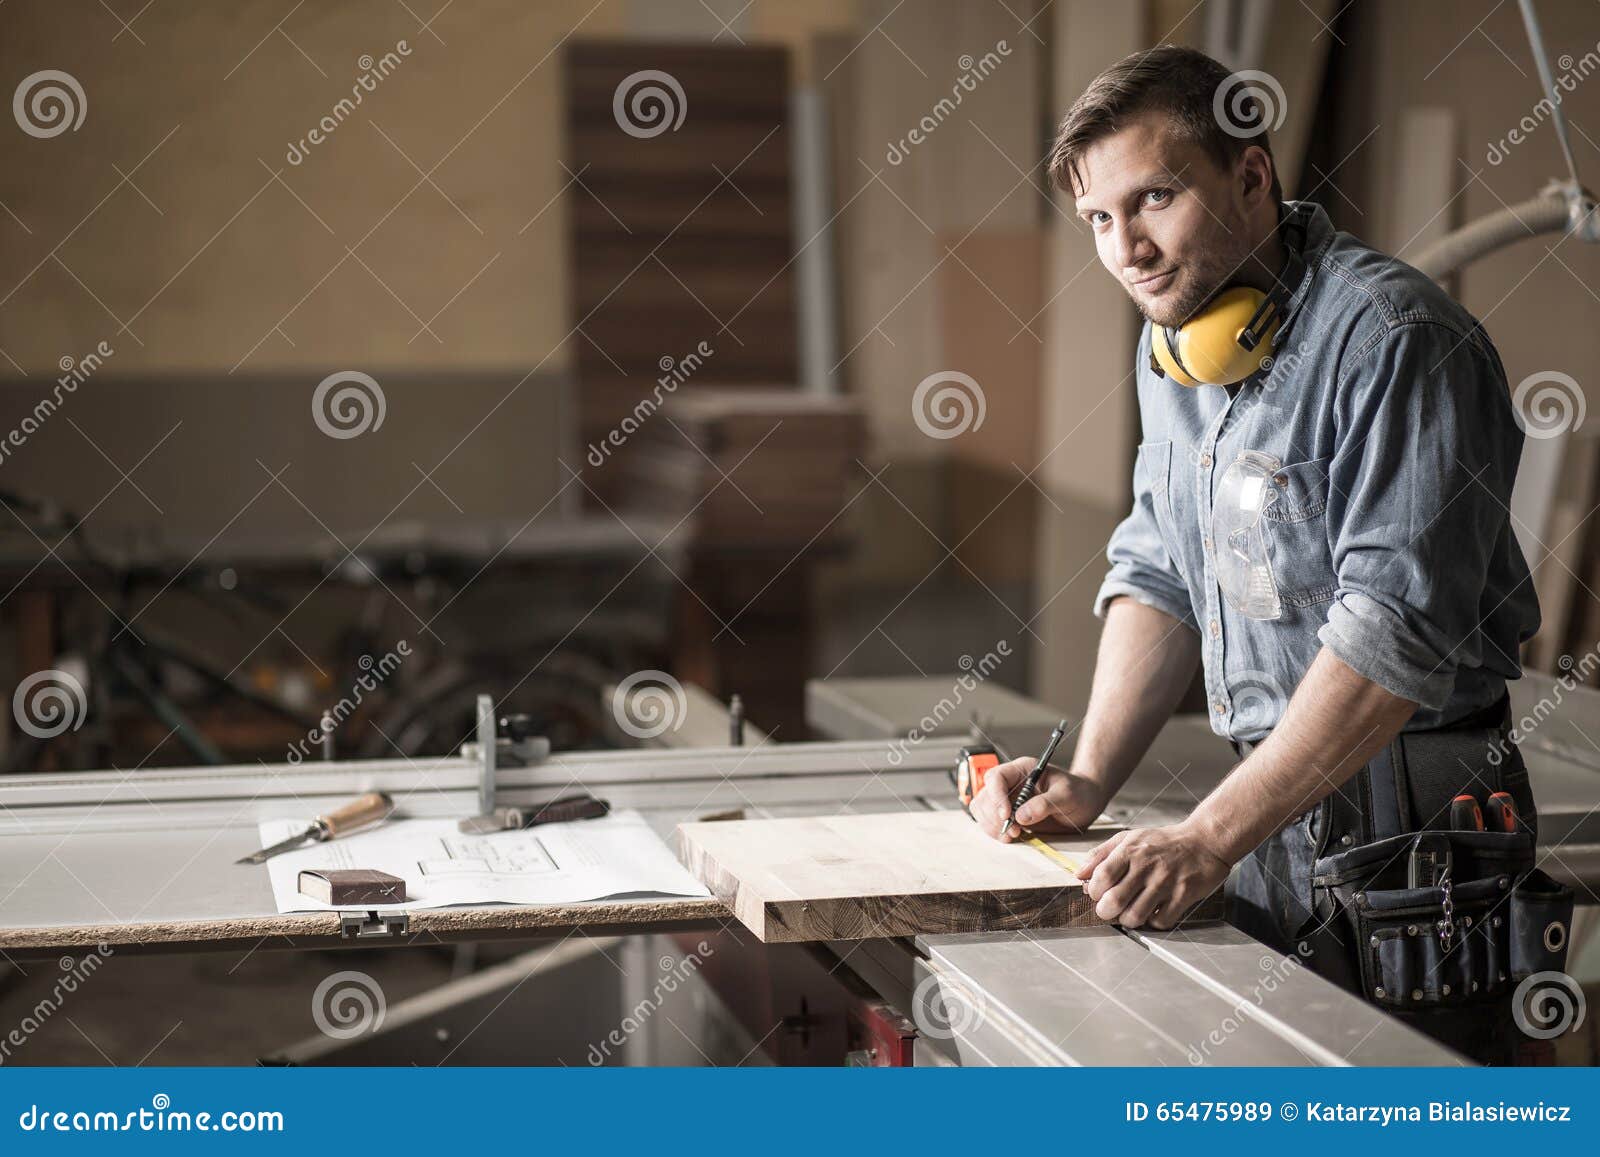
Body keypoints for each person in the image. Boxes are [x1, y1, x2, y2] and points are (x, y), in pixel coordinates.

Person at [970, 45, 1548, 1065]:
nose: (1127, 249)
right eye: (1099, 218)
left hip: (1413, 843)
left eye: (1154, 198)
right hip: (1268, 819)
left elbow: (1392, 636)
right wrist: (1090, 775)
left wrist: (1206, 835)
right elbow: (1159, 568)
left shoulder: (1397, 341)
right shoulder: (1176, 346)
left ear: (1250, 174)